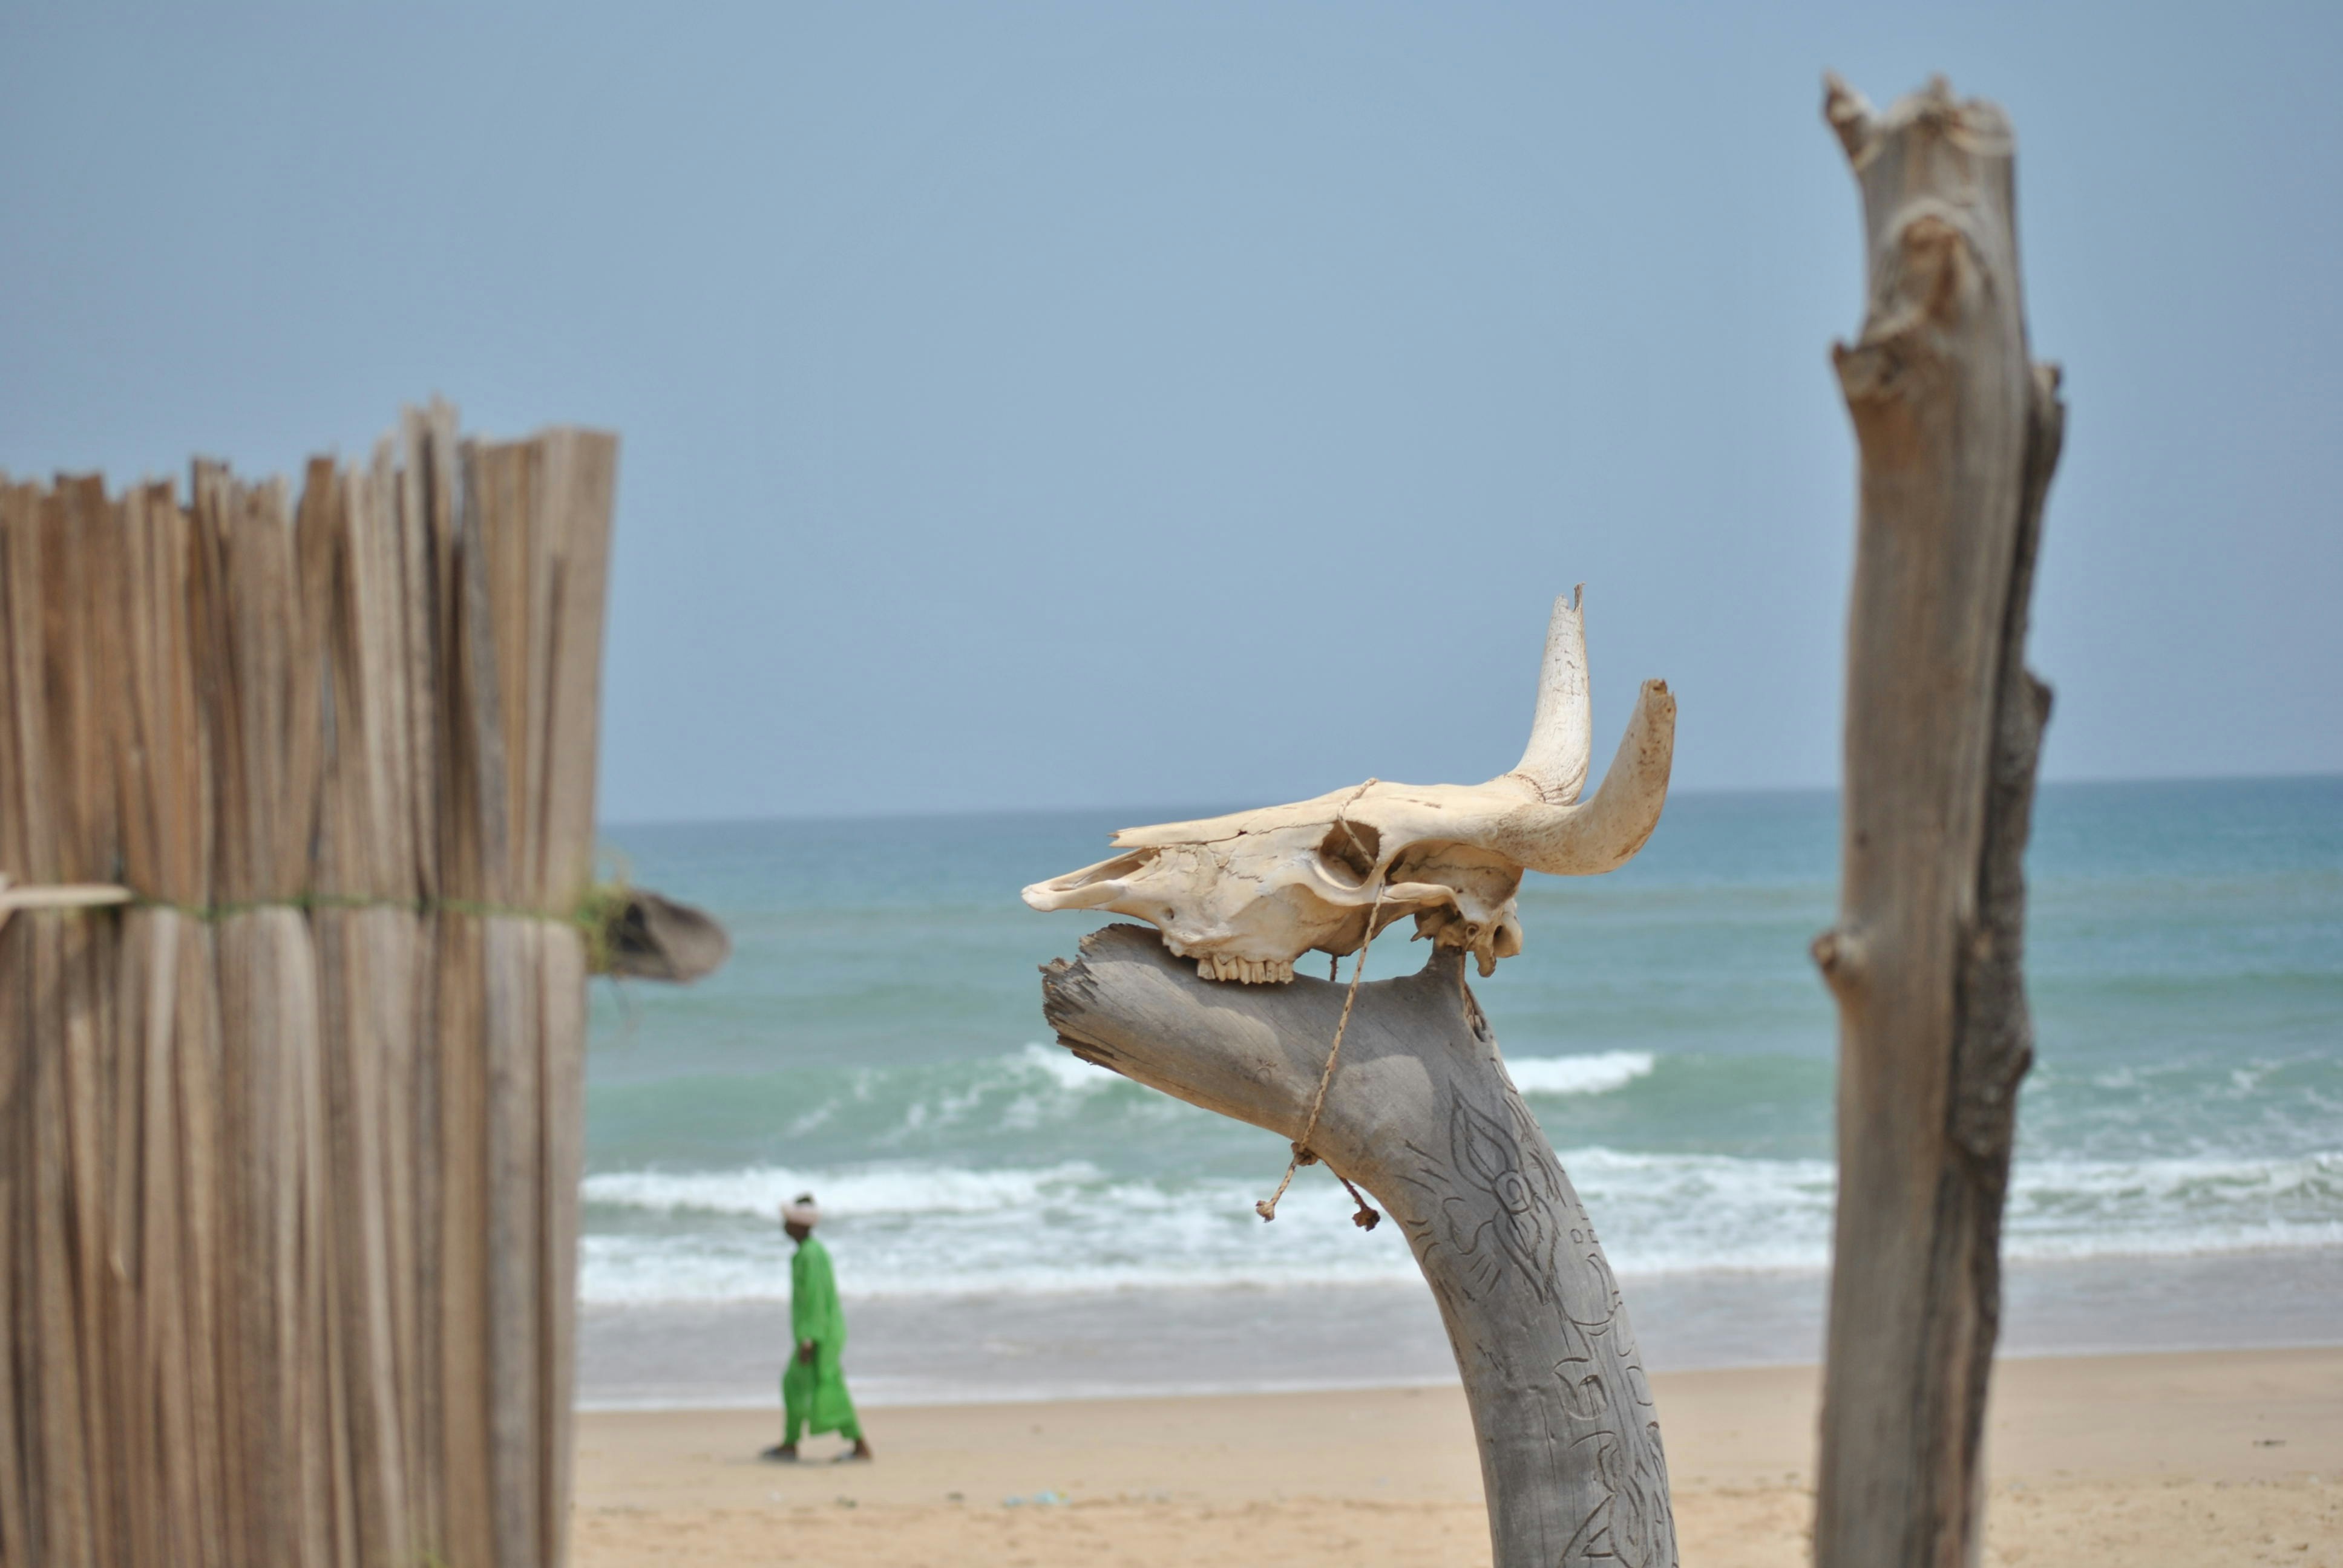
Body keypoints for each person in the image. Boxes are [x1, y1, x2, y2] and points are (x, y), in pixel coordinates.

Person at [761, 1193, 871, 1462]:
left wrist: (809, 1339)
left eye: (788, 1222)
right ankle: (792, 1442)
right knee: (806, 1386)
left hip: (819, 1335)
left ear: (799, 1225)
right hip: (822, 1332)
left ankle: (858, 1445)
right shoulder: (810, 1253)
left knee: (820, 1387)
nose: (784, 1227)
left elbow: (815, 1299)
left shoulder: (810, 1255)